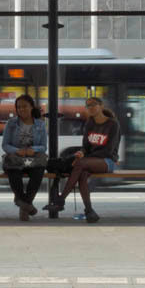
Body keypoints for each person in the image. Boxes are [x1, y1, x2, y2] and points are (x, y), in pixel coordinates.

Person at [47, 95, 120, 223]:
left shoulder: (113, 124)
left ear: (101, 106)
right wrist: (81, 153)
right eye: (88, 106)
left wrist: (85, 158)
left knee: (80, 165)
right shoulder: (89, 123)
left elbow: (108, 150)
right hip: (89, 162)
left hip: (107, 161)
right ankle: (89, 211)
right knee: (82, 174)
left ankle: (61, 199)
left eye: (93, 104)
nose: (90, 107)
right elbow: (85, 146)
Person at [0, 94, 48, 222]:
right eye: (19, 107)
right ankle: (25, 204)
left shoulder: (40, 124)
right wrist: (18, 151)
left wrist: (34, 150)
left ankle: (22, 202)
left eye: (25, 106)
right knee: (12, 167)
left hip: (33, 159)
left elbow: (43, 146)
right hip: (17, 158)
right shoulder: (11, 123)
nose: (22, 109)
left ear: (32, 107)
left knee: (40, 168)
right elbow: (5, 145)